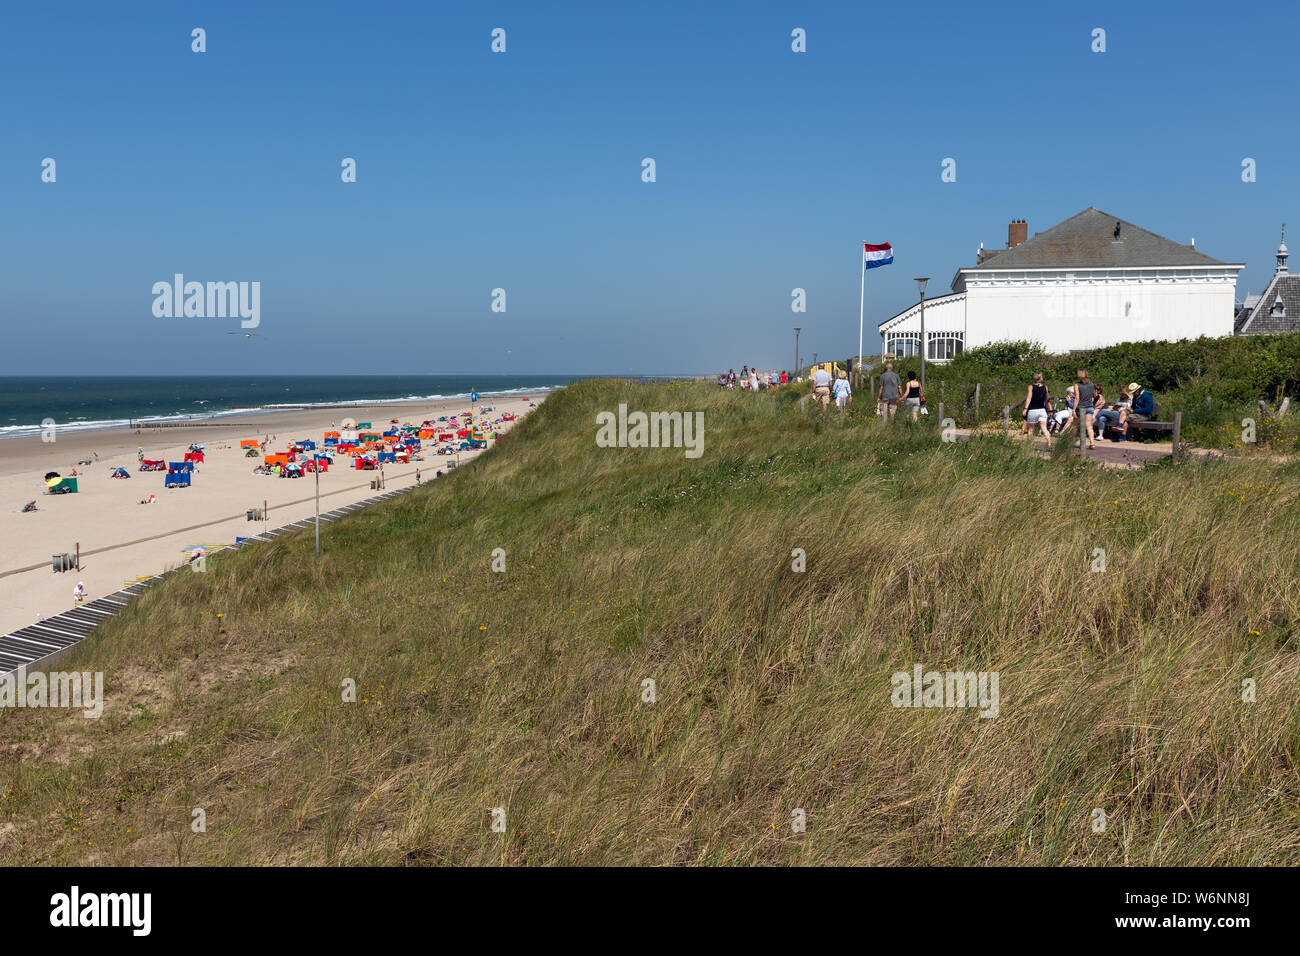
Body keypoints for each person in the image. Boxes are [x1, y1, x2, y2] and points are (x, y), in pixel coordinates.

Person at [1022, 372, 1053, 440]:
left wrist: (1025, 408)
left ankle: (1028, 446)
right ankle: (1049, 444)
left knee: (1030, 429)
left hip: (1032, 410)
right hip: (1042, 410)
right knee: (1044, 429)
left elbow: (1029, 398)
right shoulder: (1045, 387)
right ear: (1041, 378)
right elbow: (1046, 399)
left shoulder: (1031, 387)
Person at [1075, 370, 1098, 449]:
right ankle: (1092, 443)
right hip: (1090, 407)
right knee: (1089, 425)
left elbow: (1077, 398)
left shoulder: (1077, 385)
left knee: (1076, 425)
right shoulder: (1092, 384)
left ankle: (1079, 442)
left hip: (1081, 407)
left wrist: (1074, 409)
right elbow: (1095, 395)